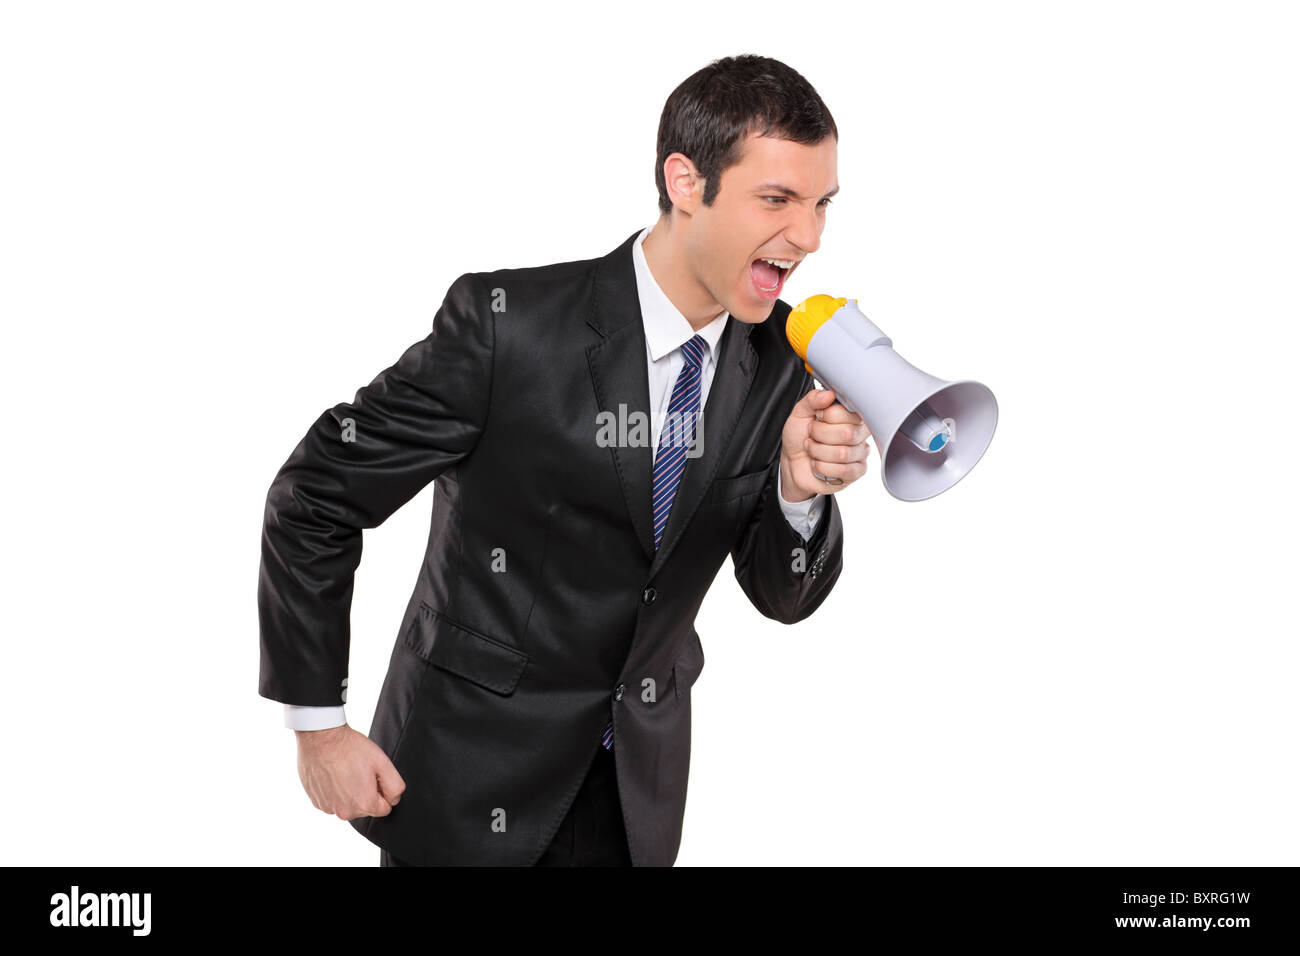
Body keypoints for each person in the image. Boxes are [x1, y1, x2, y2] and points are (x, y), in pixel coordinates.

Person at [258, 53, 871, 866]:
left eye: (822, 203)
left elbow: (782, 597)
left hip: (634, 804)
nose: (810, 236)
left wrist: (798, 492)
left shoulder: (780, 366)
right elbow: (316, 496)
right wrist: (317, 726)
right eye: (778, 200)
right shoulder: (508, 327)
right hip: (465, 789)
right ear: (685, 182)